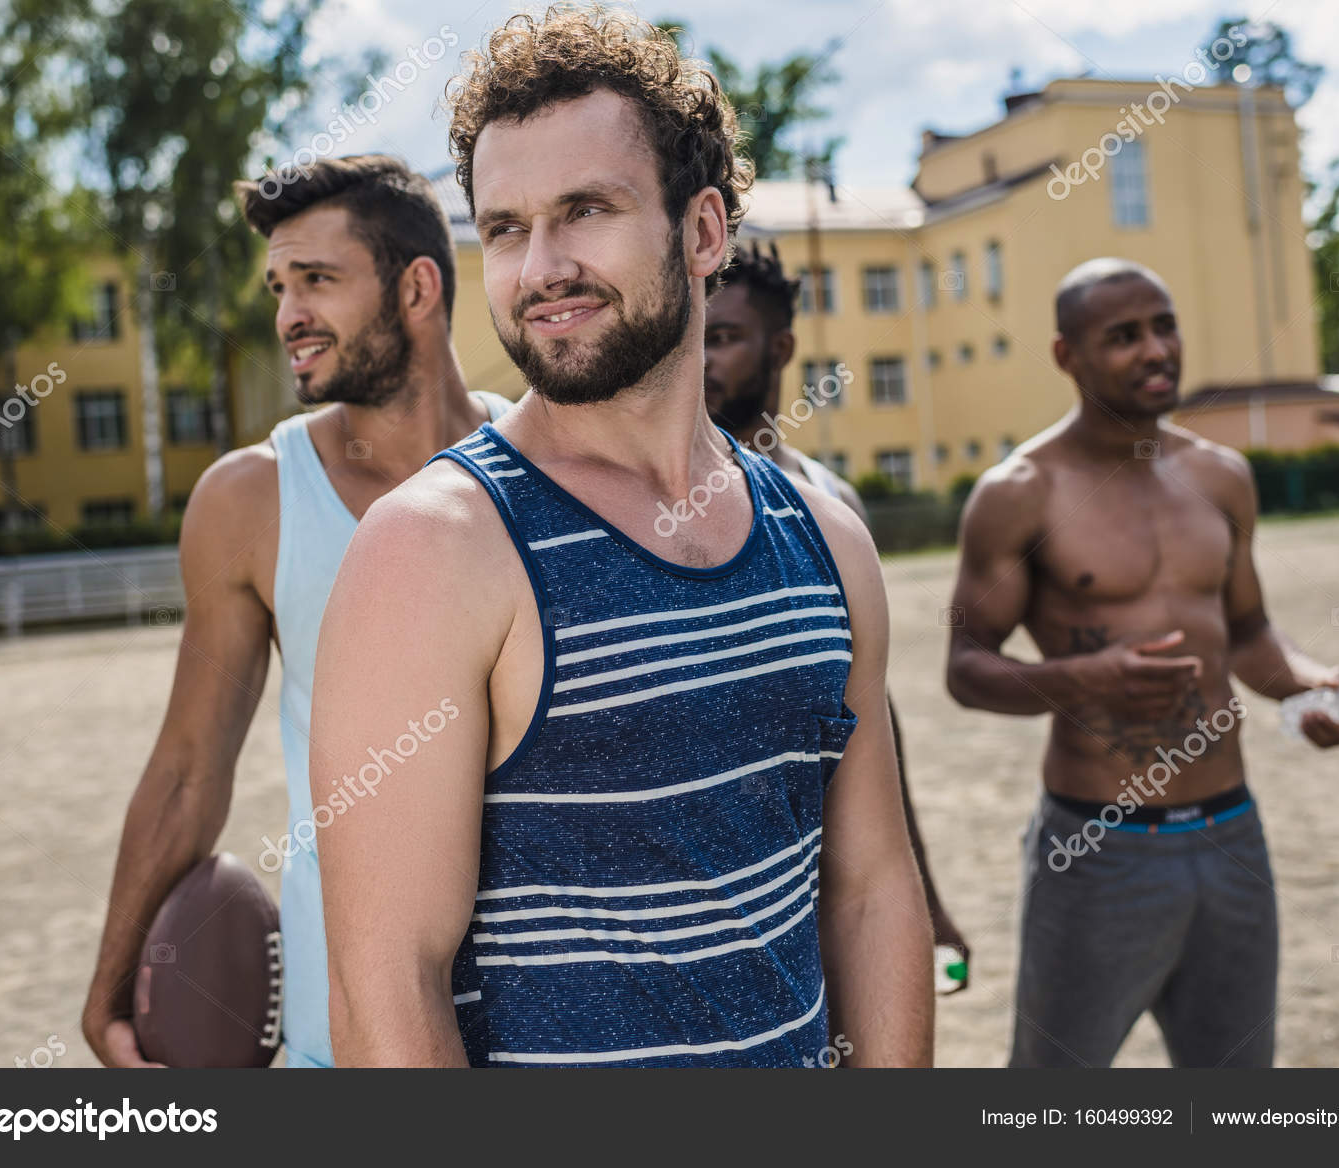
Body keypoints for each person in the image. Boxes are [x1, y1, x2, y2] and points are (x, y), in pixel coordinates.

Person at [312, 9, 934, 1068]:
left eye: (584, 211)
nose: (539, 268)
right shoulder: (434, 547)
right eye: (504, 227)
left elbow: (872, 890)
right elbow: (386, 987)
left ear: (700, 233)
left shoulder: (824, 538)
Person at [81, 155, 513, 1069]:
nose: (287, 317)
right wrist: (110, 988)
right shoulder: (252, 501)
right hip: (341, 1034)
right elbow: (191, 768)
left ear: (418, 288)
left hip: (552, 1030)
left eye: (317, 280)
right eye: (279, 287)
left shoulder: (546, 466)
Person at [945, 256, 1339, 1068]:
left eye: (1164, 326)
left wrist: (1315, 684)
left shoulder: (1222, 477)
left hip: (1230, 833)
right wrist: (1078, 682)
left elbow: (1250, 633)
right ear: (1066, 356)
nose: (1156, 350)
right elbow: (966, 667)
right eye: (1123, 337)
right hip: (1100, 846)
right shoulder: (1021, 492)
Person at [705, 241, 971, 983]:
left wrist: (927, 902)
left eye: (722, 338)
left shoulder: (832, 508)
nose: (700, 360)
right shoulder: (659, 511)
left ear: (782, 348)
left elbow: (871, 724)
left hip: (831, 884)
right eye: (691, 336)